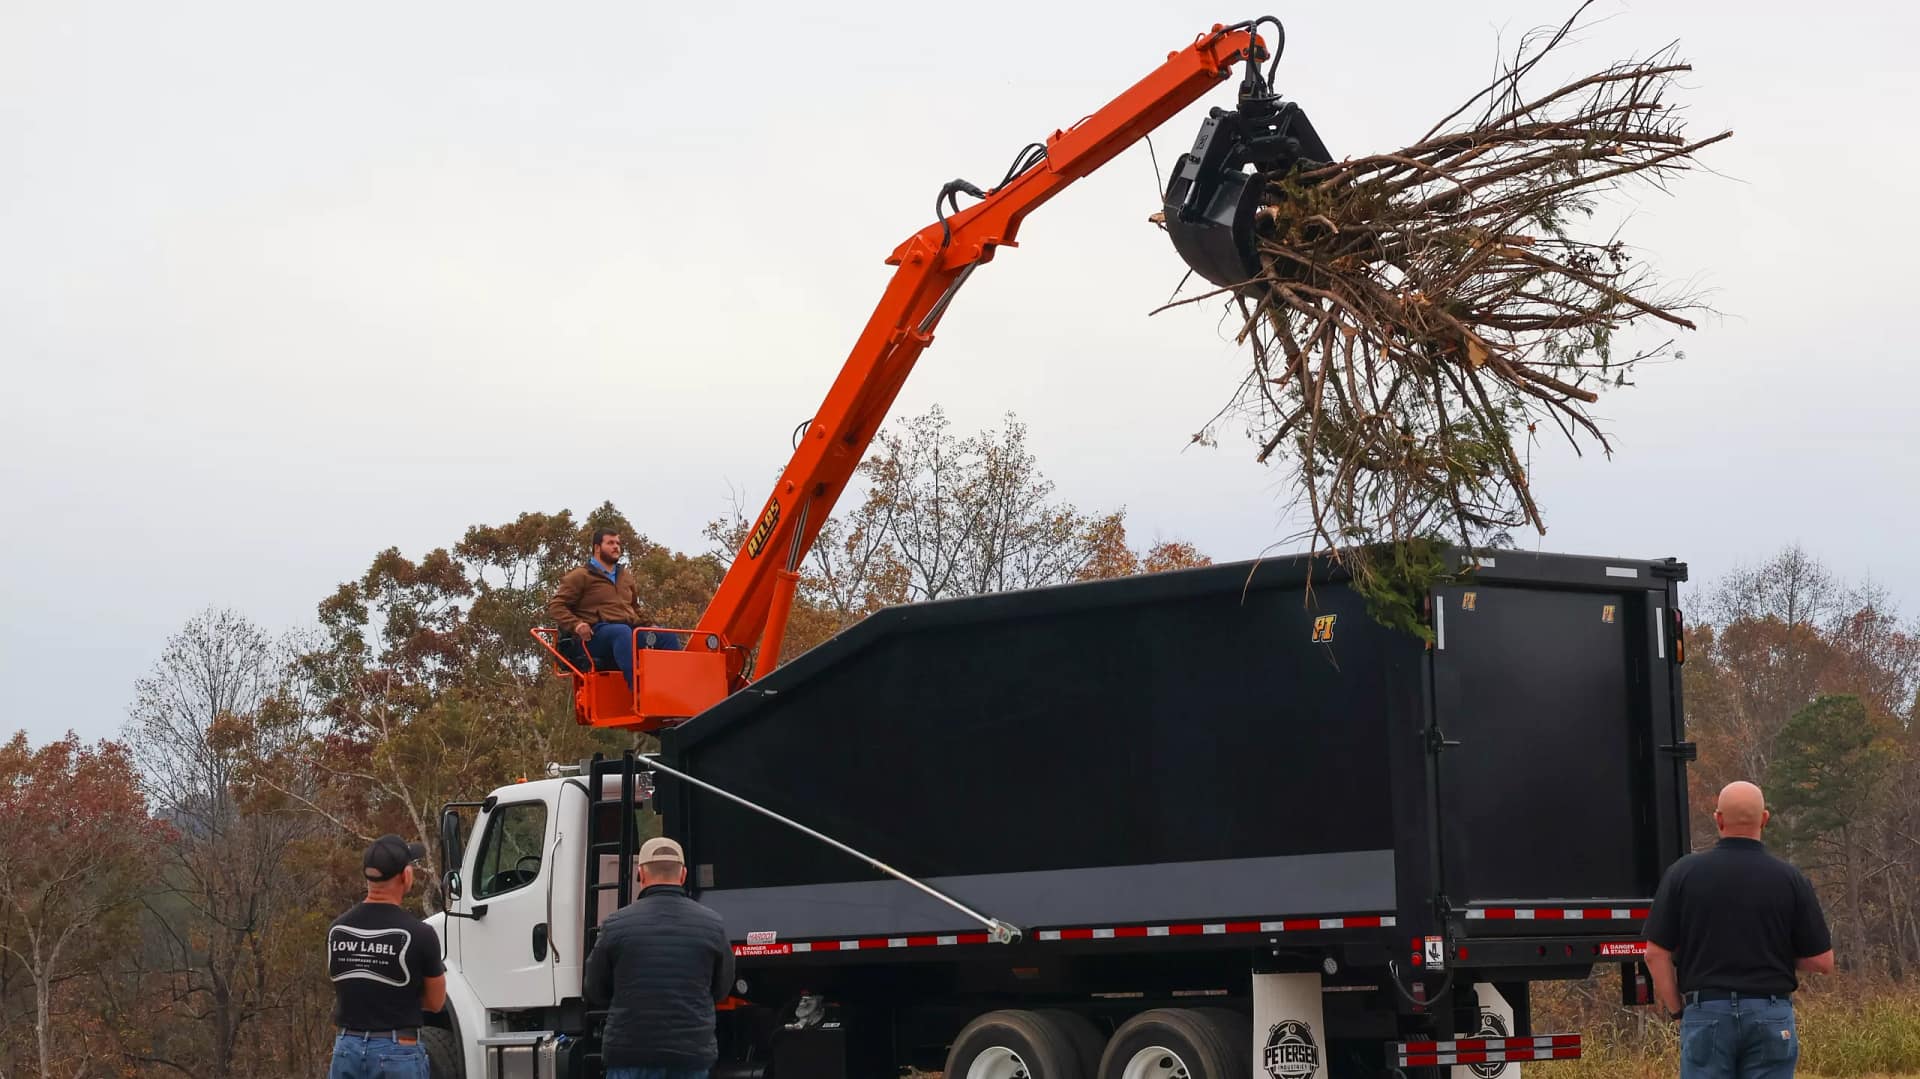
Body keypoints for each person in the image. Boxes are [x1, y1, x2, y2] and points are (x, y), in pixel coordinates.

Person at [1643, 781, 1836, 1079]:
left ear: (1718, 818)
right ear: (1764, 819)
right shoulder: (1790, 878)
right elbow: (1822, 962)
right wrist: (1776, 953)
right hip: (1770, 1014)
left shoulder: (1683, 873)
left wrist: (1679, 1013)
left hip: (1706, 1012)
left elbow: (1655, 954)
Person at [584, 837, 735, 1079]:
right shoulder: (712, 924)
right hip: (690, 1054)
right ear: (683, 875)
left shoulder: (615, 925)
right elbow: (720, 989)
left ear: (641, 874)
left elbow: (594, 989)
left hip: (630, 1054)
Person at [327, 834, 447, 1079]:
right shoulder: (420, 934)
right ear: (405, 875)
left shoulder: (337, 930)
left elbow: (346, 986)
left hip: (345, 1049)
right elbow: (436, 1002)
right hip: (397, 1052)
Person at [549, 529, 682, 689]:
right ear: (597, 548)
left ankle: (674, 691)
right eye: (610, 543)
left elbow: (634, 607)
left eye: (618, 543)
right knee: (621, 632)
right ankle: (639, 692)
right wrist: (576, 624)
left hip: (628, 631)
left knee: (665, 636)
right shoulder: (580, 576)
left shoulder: (625, 576)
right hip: (594, 636)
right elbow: (557, 606)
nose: (616, 547)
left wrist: (649, 624)